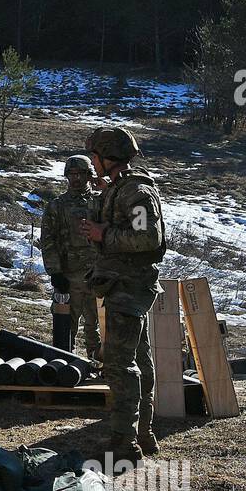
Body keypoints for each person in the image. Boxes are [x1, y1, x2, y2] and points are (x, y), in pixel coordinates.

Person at [79, 127, 165, 464]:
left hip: (129, 287)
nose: (92, 164)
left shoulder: (137, 192)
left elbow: (148, 239)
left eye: (95, 158)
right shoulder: (121, 188)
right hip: (123, 285)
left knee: (119, 362)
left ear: (107, 157)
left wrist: (104, 233)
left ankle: (125, 443)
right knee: (139, 359)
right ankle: (143, 433)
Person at [38, 154, 103, 359]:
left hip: (97, 276)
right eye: (72, 174)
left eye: (80, 174)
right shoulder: (56, 206)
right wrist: (55, 272)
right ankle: (64, 367)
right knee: (65, 328)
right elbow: (48, 241)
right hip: (68, 277)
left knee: (96, 328)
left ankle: (98, 367)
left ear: (88, 176)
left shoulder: (101, 203)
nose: (76, 179)